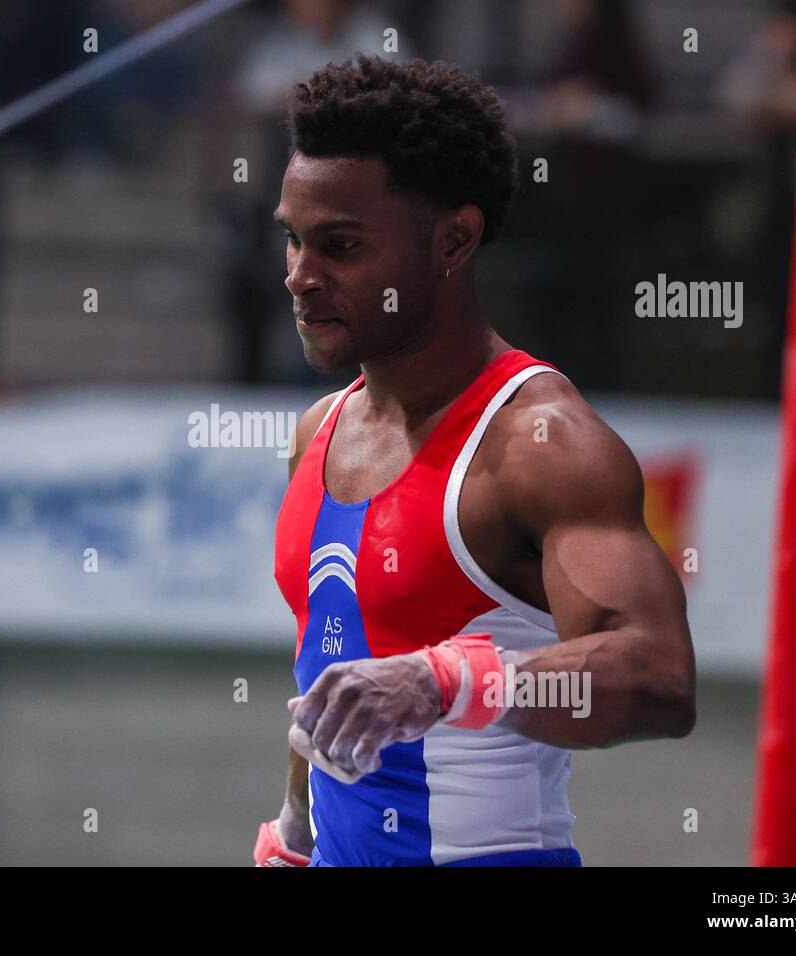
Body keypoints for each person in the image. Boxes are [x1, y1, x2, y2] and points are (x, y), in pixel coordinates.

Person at [253, 55, 695, 867]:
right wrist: (295, 830)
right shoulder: (319, 430)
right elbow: (333, 662)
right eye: (292, 239)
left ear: (453, 240)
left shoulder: (542, 444)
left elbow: (660, 679)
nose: (299, 278)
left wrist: (443, 680)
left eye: (340, 247)